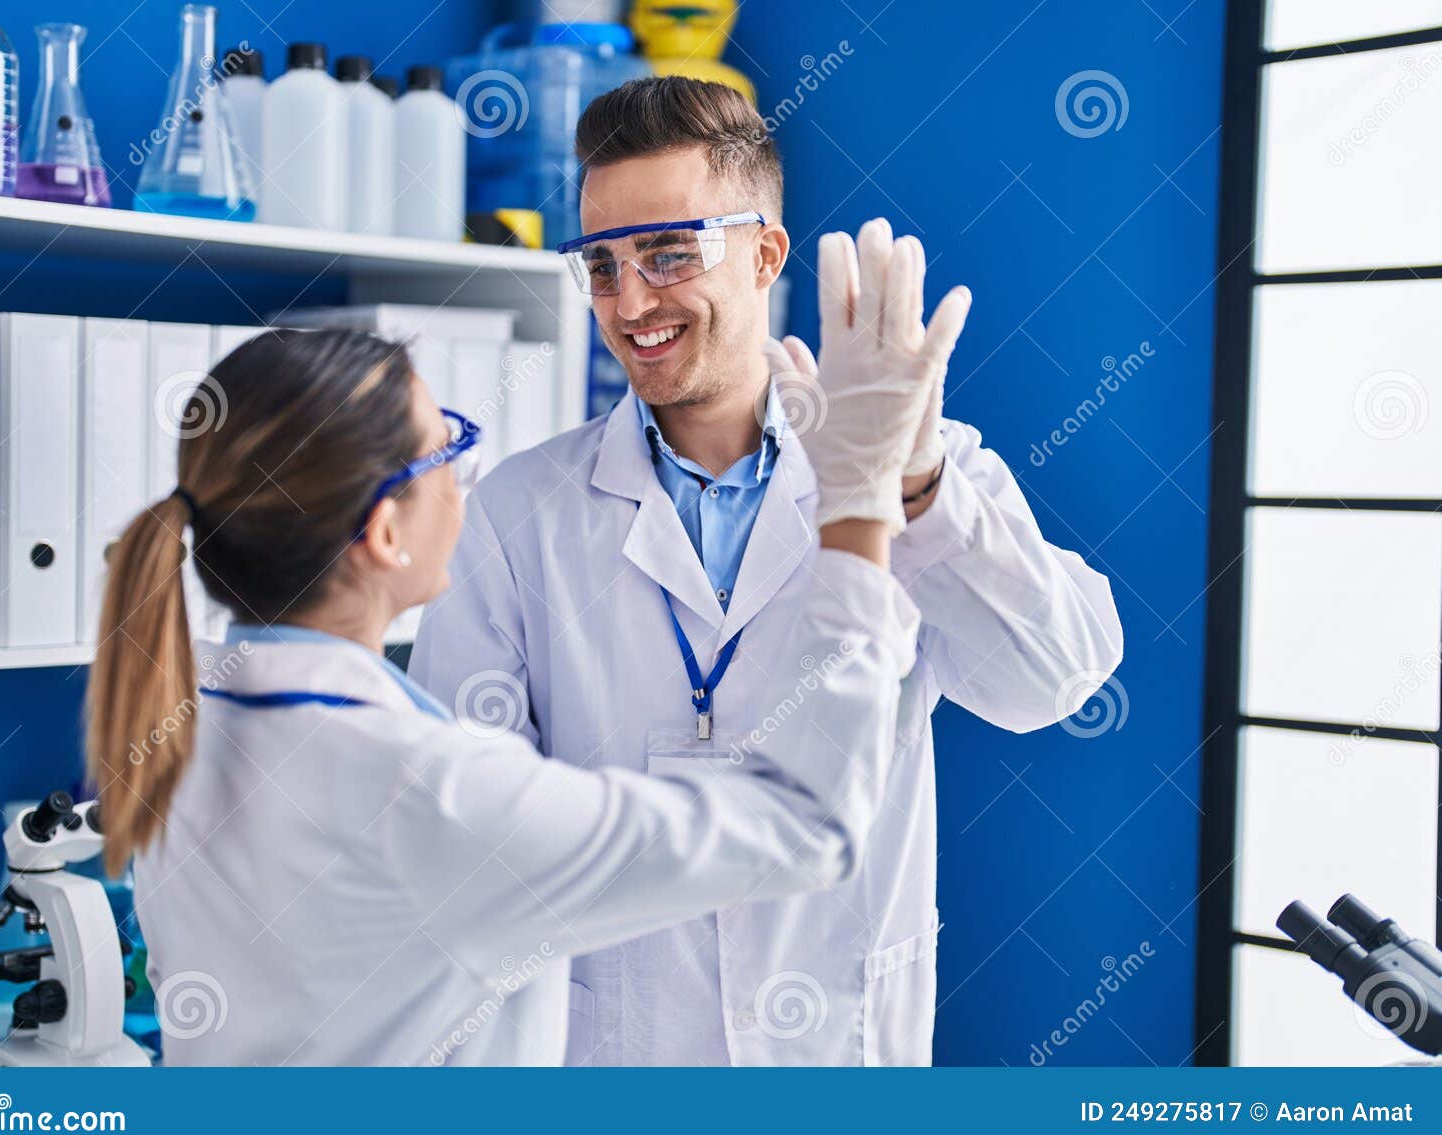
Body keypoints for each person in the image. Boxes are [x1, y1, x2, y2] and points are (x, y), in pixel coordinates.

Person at [409, 77, 1126, 1066]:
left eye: (667, 253)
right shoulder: (514, 513)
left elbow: (1051, 679)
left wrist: (905, 483)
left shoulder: (924, 464)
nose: (630, 302)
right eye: (601, 265)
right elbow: (465, 830)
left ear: (764, 254)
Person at [86, 316, 925, 1065]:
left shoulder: (174, 734)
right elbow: (809, 826)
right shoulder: (430, 795)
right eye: (447, 449)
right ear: (384, 533)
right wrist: (859, 510)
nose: (465, 481)